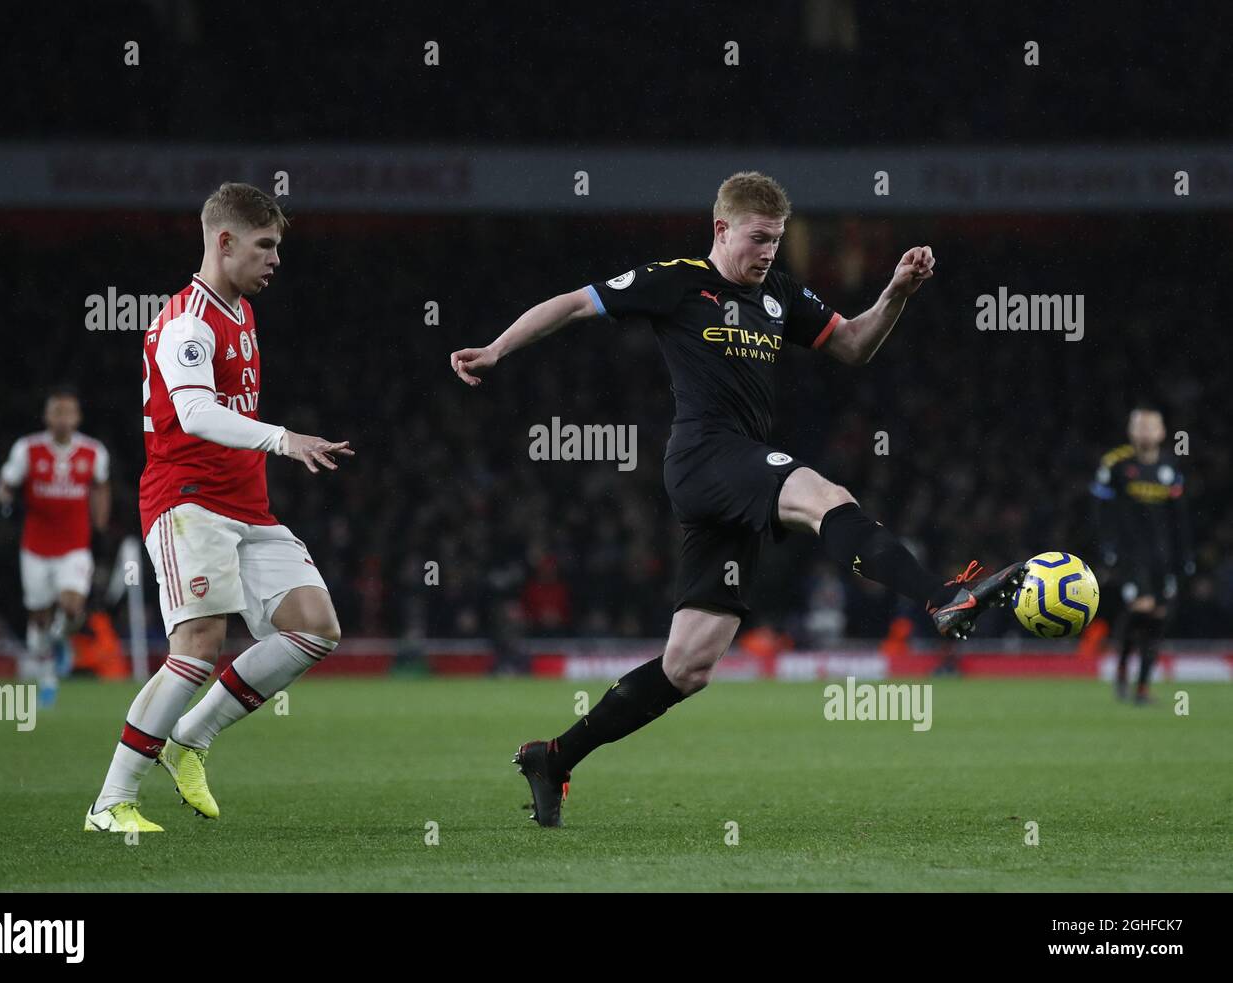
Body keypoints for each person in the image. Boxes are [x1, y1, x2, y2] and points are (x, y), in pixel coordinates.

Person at [450, 171, 1026, 826]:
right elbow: (575, 303)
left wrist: (896, 291)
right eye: (758, 239)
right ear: (722, 229)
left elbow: (855, 344)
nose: (769, 252)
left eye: (777, 240)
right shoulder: (677, 278)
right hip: (705, 455)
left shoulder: (779, 290)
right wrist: (498, 348)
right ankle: (942, 594)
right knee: (823, 495)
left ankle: (554, 756)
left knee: (689, 664)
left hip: (735, 473)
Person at [85, 183, 354, 833]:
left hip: (249, 506)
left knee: (315, 625)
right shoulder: (186, 322)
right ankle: (111, 801)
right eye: (265, 246)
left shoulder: (240, 310)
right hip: (188, 502)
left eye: (278, 246)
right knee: (198, 645)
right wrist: (281, 438)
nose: (276, 259)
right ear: (224, 242)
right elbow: (196, 412)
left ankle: (190, 738)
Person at [0, 387, 110, 706]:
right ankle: (46, 675)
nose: (62, 418)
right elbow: (4, 486)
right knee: (39, 617)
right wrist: (5, 500)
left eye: (67, 412)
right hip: (35, 547)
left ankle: (59, 642)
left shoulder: (93, 452)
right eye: (56, 412)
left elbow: (101, 487)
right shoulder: (27, 450)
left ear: (77, 417)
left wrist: (100, 526)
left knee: (73, 607)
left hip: (74, 545)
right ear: (47, 417)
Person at [1091, 402, 1194, 704]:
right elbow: (1100, 510)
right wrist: (1108, 547)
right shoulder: (1116, 464)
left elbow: (1180, 517)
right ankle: (1123, 670)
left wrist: (1185, 556)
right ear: (1130, 430)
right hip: (1130, 553)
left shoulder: (1170, 468)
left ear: (1162, 432)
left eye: (1150, 426)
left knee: (1159, 616)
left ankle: (1143, 687)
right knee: (1142, 606)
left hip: (1163, 555)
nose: (1145, 431)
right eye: (1139, 425)